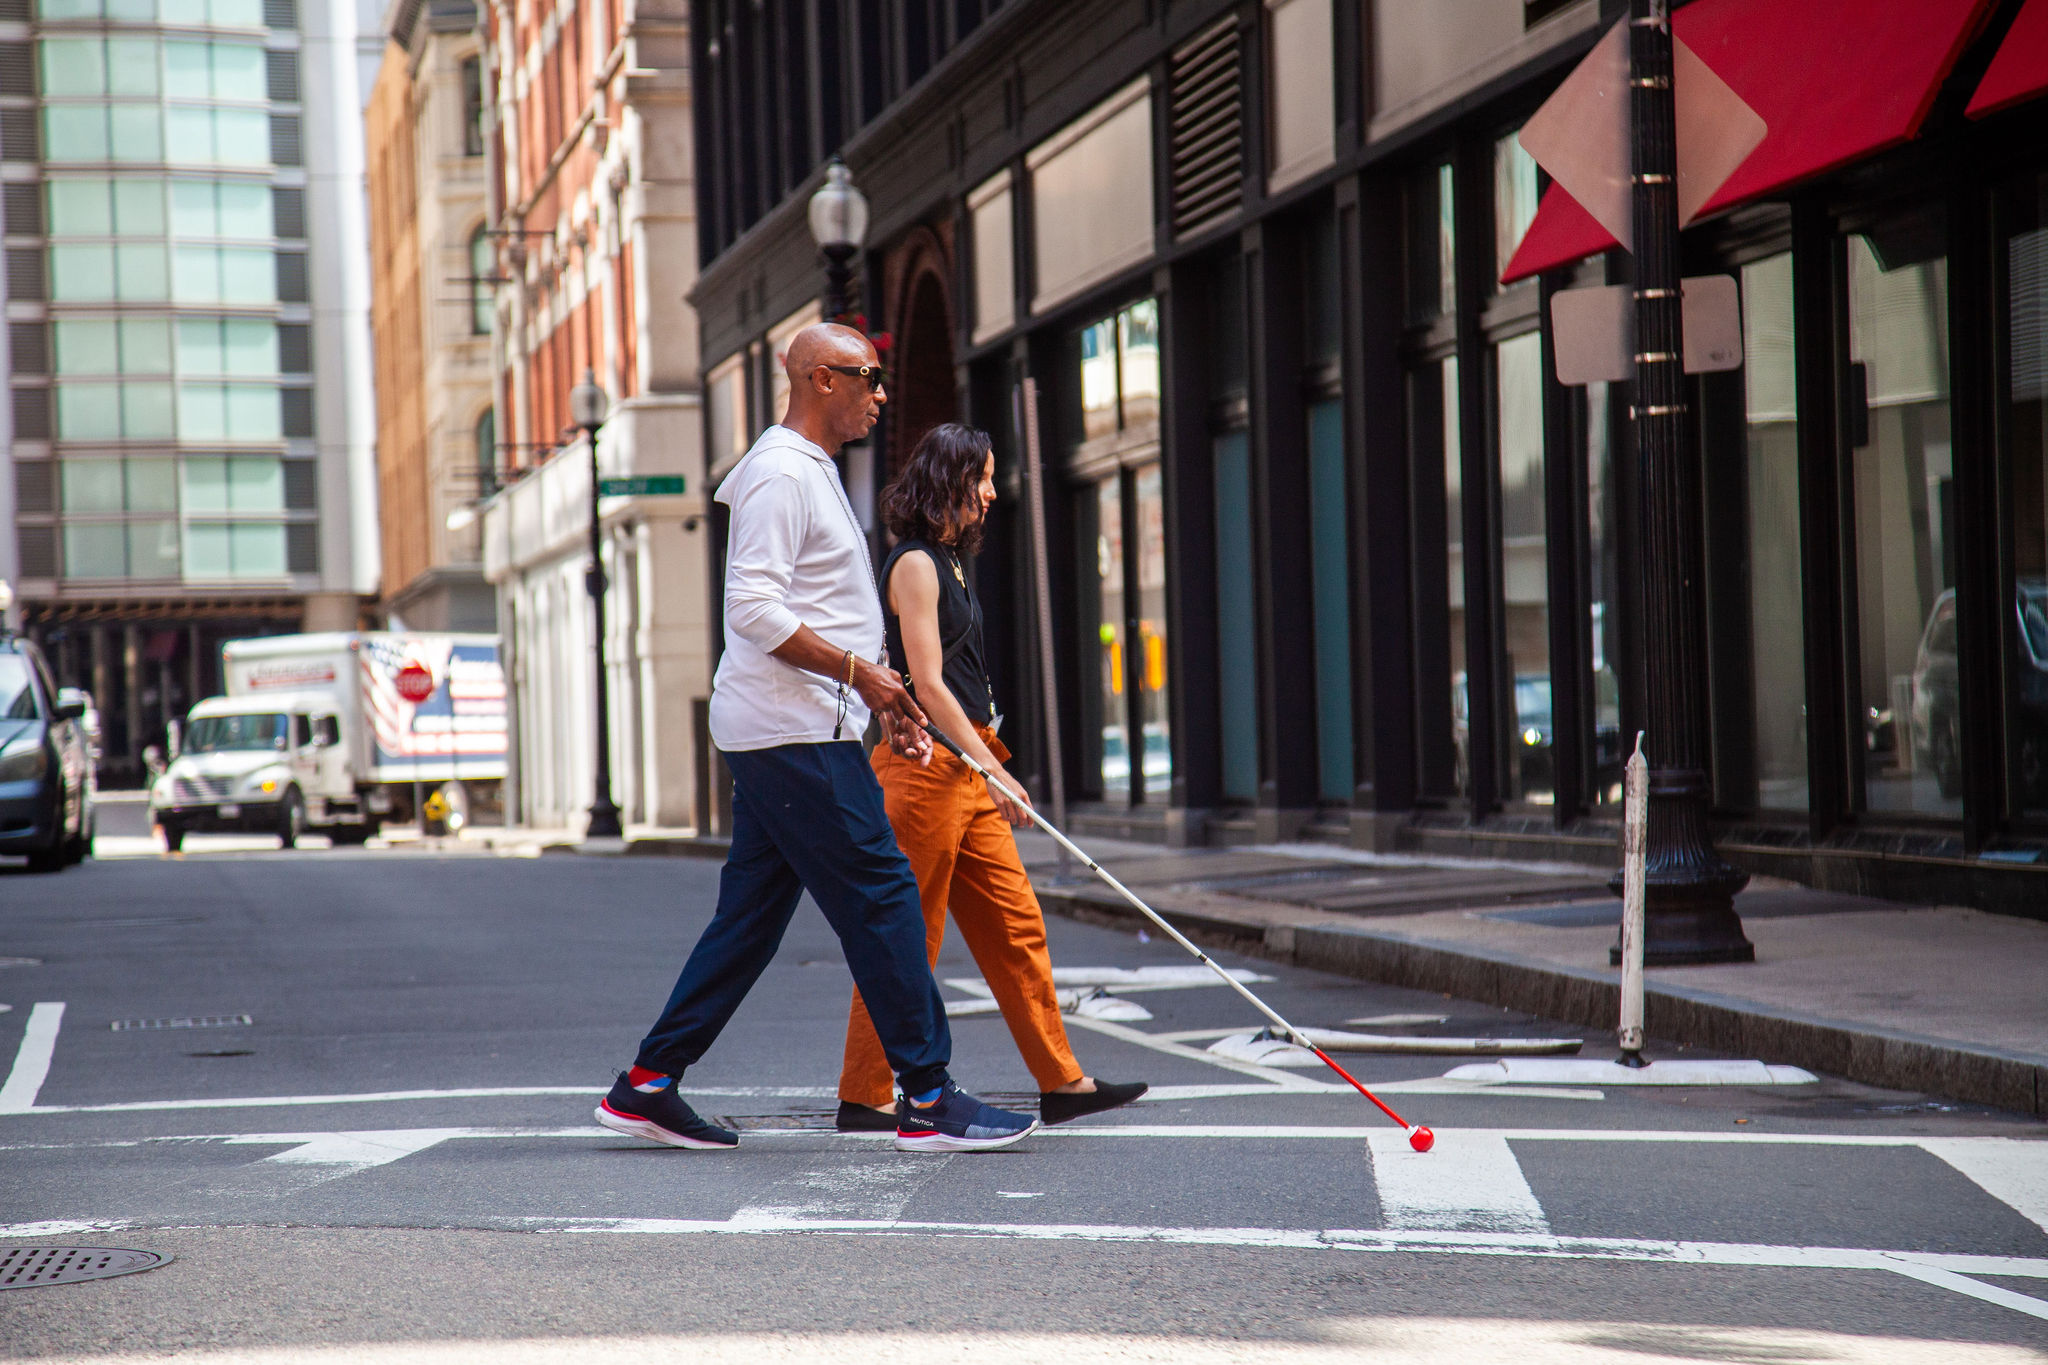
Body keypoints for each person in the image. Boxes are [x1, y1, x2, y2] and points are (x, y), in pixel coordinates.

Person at [596, 324, 1039, 1154]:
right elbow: (755, 613)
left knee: (750, 920)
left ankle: (649, 1082)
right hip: (790, 733)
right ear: (821, 379)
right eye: (868, 379)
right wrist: (860, 676)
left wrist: (887, 703)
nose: (879, 396)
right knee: (884, 894)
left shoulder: (811, 472)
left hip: (800, 726)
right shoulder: (775, 476)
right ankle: (929, 1093)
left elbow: (826, 606)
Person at [836, 423, 1147, 1133]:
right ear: (948, 480)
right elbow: (926, 681)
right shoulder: (914, 564)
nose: (991, 490)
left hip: (965, 766)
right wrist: (991, 768)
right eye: (982, 477)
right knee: (906, 935)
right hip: (925, 771)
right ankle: (865, 1091)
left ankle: (1062, 1081)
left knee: (1016, 924)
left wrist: (986, 765)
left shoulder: (949, 562)